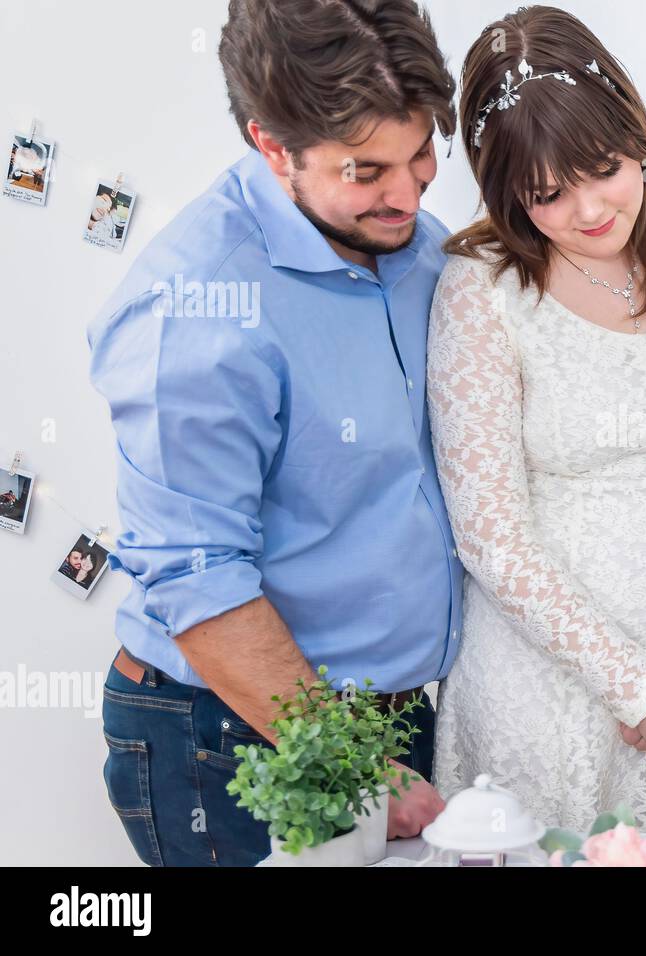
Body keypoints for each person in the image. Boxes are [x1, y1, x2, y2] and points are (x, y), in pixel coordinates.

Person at [87, 0, 464, 866]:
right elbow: (199, 579)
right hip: (230, 734)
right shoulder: (195, 310)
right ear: (271, 145)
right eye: (367, 170)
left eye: (421, 153)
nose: (408, 194)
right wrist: (350, 764)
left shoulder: (413, 243)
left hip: (396, 713)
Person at [427, 5, 646, 831]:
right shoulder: (481, 293)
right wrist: (639, 691)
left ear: (637, 138)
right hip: (547, 703)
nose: (590, 210)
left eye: (605, 170)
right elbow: (490, 537)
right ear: (505, 190)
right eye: (548, 195)